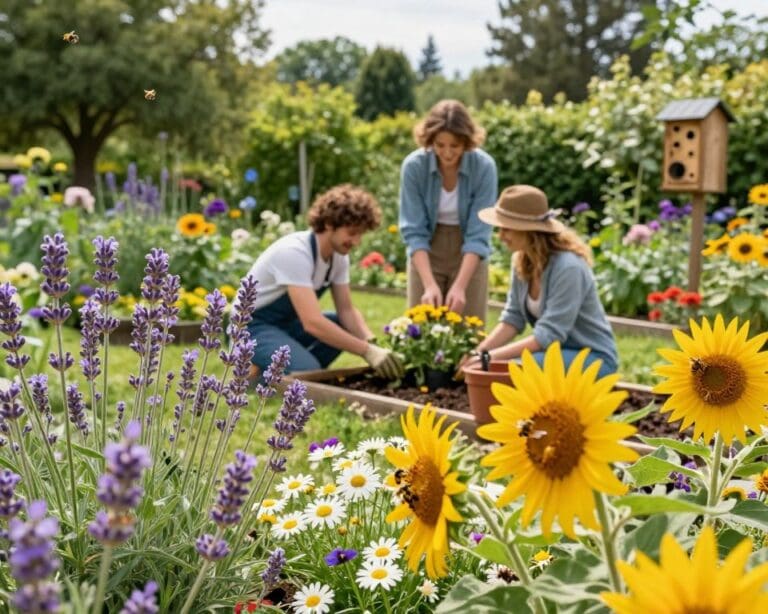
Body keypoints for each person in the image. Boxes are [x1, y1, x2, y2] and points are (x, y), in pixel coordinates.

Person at [246, 184, 404, 379]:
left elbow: (346, 310)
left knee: (341, 326)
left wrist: (372, 342)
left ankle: (276, 367)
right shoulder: (295, 253)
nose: (356, 242)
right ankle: (255, 378)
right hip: (251, 327)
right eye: (352, 232)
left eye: (361, 234)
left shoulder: (338, 257)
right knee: (307, 371)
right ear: (329, 223)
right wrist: (366, 351)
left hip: (286, 325)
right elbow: (312, 322)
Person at [462, 184, 619, 377]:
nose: (500, 236)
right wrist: (478, 353)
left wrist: (488, 359)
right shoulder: (521, 260)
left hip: (593, 358)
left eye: (506, 229)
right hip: (552, 354)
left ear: (528, 230)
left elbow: (549, 335)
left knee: (515, 369)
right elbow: (513, 318)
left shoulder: (568, 268)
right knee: (506, 367)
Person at [399, 99, 498, 321]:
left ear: (467, 142)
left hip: (469, 255)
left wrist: (460, 286)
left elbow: (478, 233)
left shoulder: (484, 167)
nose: (447, 153)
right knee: (421, 332)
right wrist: (429, 285)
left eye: (455, 146)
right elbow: (414, 231)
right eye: (440, 145)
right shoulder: (414, 167)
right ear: (430, 140)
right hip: (426, 253)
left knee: (468, 334)